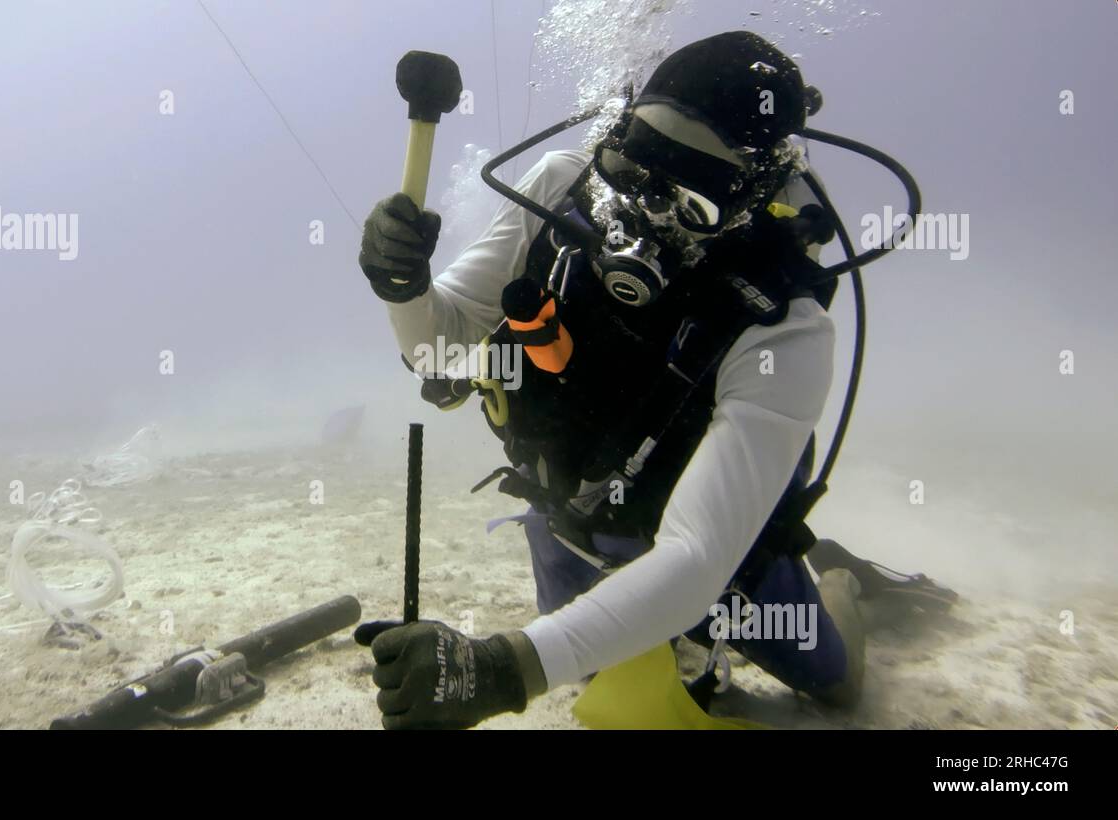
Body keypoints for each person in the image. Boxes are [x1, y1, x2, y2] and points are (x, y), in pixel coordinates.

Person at [356, 31, 929, 730]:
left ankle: (841, 580)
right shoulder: (562, 191)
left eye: (689, 204)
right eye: (632, 172)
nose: (641, 217)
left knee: (837, 687)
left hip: (723, 565)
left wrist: (502, 669)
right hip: (565, 523)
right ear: (615, 135)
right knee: (595, 664)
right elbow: (438, 355)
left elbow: (698, 557)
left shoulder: (786, 326)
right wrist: (402, 286)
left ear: (751, 198)